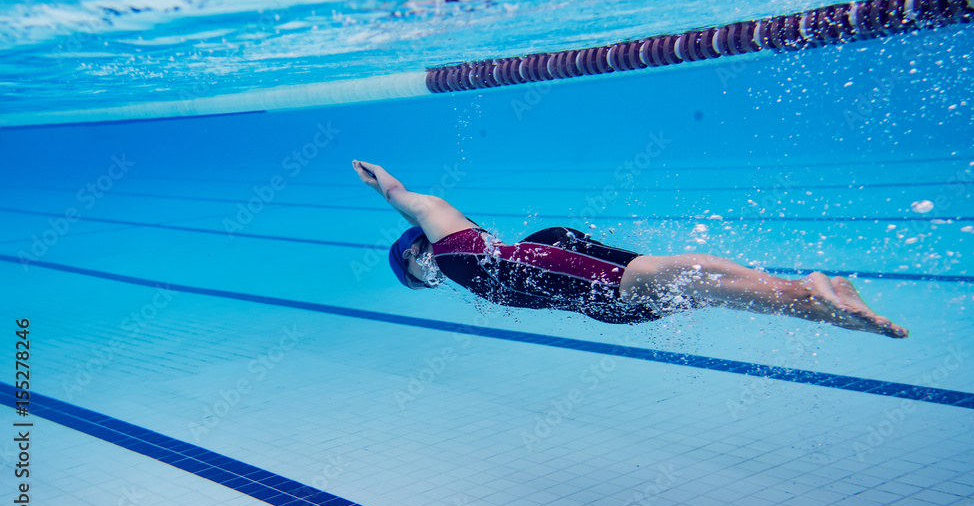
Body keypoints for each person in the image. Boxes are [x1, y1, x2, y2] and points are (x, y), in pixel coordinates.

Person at [352, 160, 909, 338]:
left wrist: (386, 186)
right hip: (581, 283)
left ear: (418, 253)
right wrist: (382, 183)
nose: (433, 272)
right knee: (699, 272)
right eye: (424, 275)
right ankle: (812, 294)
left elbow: (407, 199)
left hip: (602, 304)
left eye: (420, 268)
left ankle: (823, 308)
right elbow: (404, 196)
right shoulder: (462, 250)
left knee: (706, 284)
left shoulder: (456, 246)